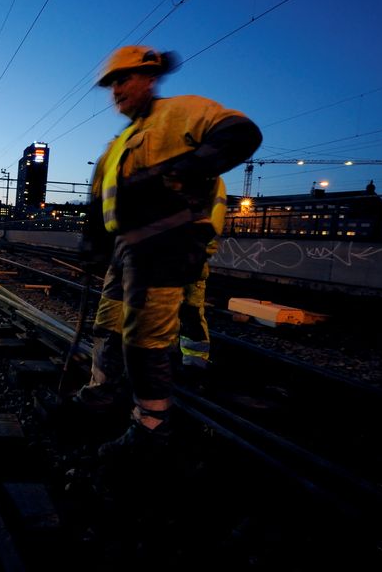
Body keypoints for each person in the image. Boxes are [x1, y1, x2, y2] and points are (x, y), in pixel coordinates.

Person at [75, 45, 262, 457]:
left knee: (146, 339)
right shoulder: (119, 143)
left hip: (166, 244)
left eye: (123, 79)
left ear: (150, 78)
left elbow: (241, 133)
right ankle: (102, 394)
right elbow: (99, 203)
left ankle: (151, 429)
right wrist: (94, 244)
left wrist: (180, 171)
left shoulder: (183, 111)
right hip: (125, 250)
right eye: (111, 84)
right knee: (108, 325)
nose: (116, 91)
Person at [179, 176, 227, 370]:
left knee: (187, 315)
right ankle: (192, 364)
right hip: (189, 261)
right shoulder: (211, 179)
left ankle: (192, 364)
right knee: (189, 315)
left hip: (184, 261)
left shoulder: (209, 179)